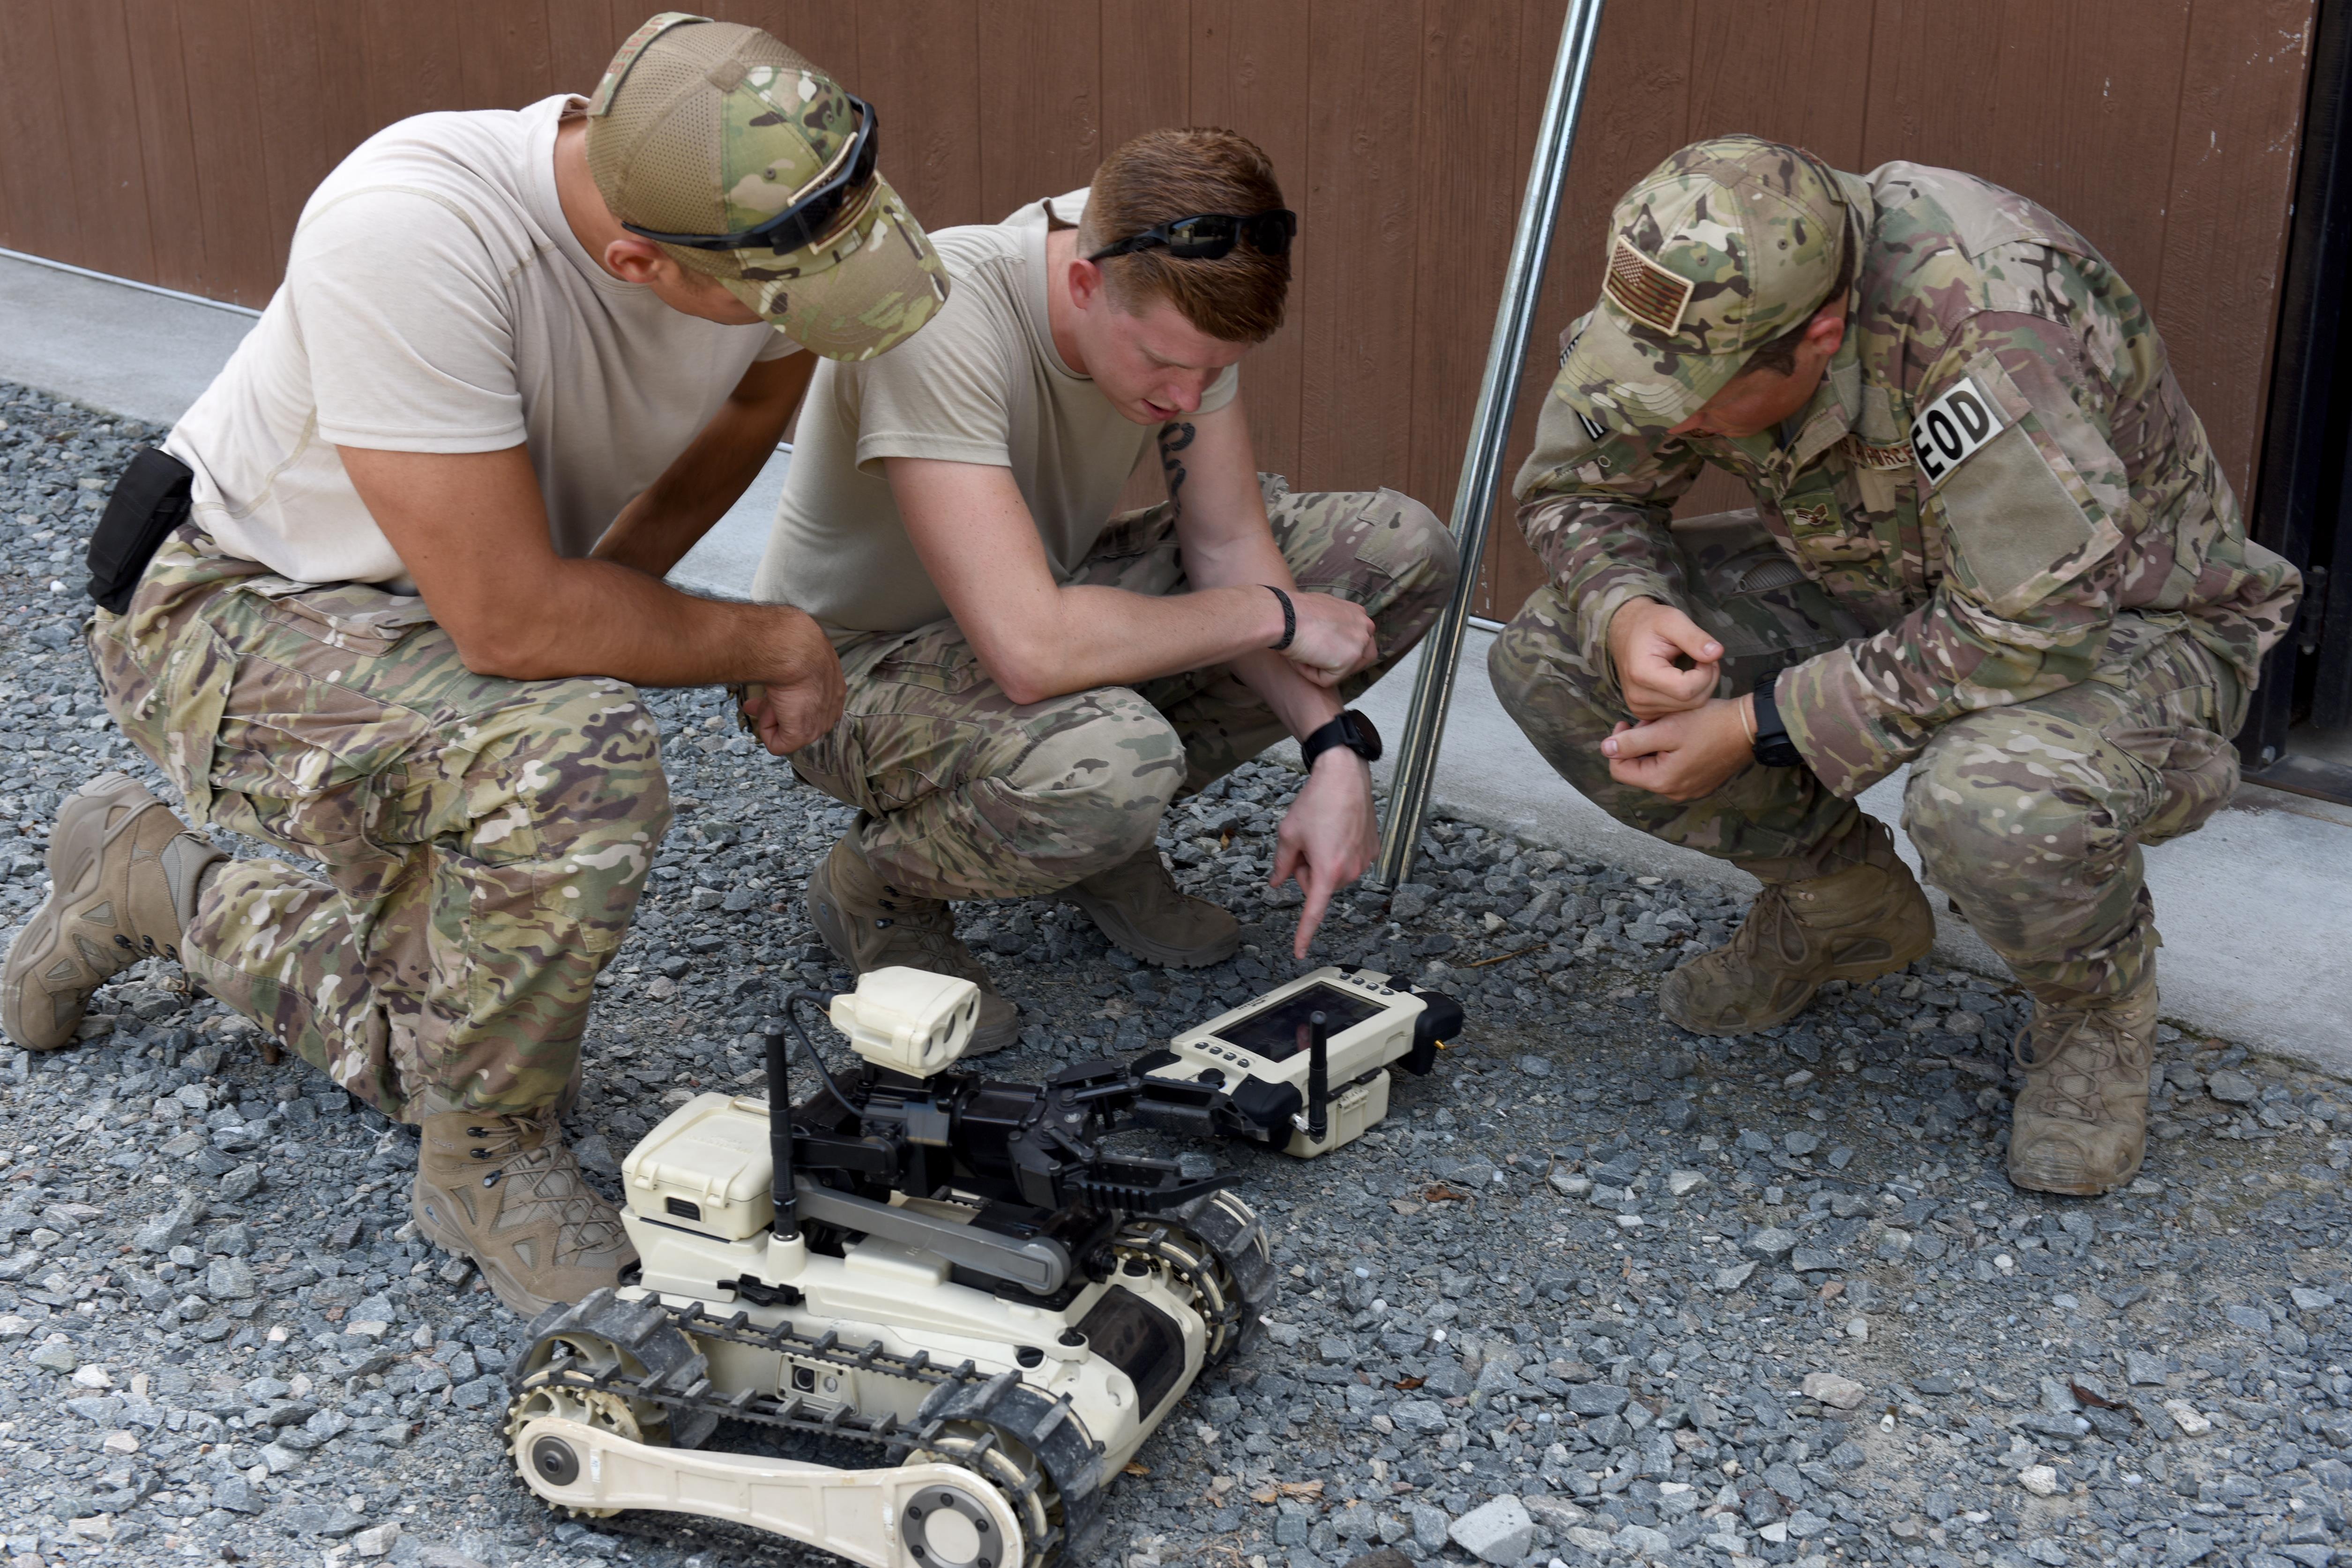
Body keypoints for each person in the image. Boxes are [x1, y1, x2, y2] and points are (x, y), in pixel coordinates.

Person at [0, 13, 948, 1314]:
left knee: (428, 1048)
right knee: (576, 754)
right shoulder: (412, 229)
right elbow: (508, 624)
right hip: (229, 606)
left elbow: (748, 396)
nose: (808, 317)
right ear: (635, 261)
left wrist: (613, 585)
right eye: (781, 300)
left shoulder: (770, 205)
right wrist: (763, 634)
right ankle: (482, 1163)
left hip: (425, 617)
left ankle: (150, 882)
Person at [1489, 135, 2300, 1197]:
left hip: (2124, 621)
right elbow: (1577, 486)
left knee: (1993, 798)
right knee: (1552, 653)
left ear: (1819, 334)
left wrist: (1751, 724)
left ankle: (2095, 1010)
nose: (1670, 420)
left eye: (1694, 399)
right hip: (1880, 581)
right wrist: (1626, 605)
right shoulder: (1686, 307)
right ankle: (1840, 903)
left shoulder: (1986, 324)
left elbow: (2030, 617)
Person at [754, 128, 1458, 1052]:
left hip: (1035, 602)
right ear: (1084, 284)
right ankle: (878, 885)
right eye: (1165, 365)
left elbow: (1224, 543)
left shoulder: (1171, 291)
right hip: (845, 669)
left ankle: (1097, 841)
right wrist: (1275, 615)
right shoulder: (939, 314)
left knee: (1396, 551)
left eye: (1213, 371)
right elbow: (1033, 650)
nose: (1185, 395)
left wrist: (1330, 749)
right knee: (1111, 763)